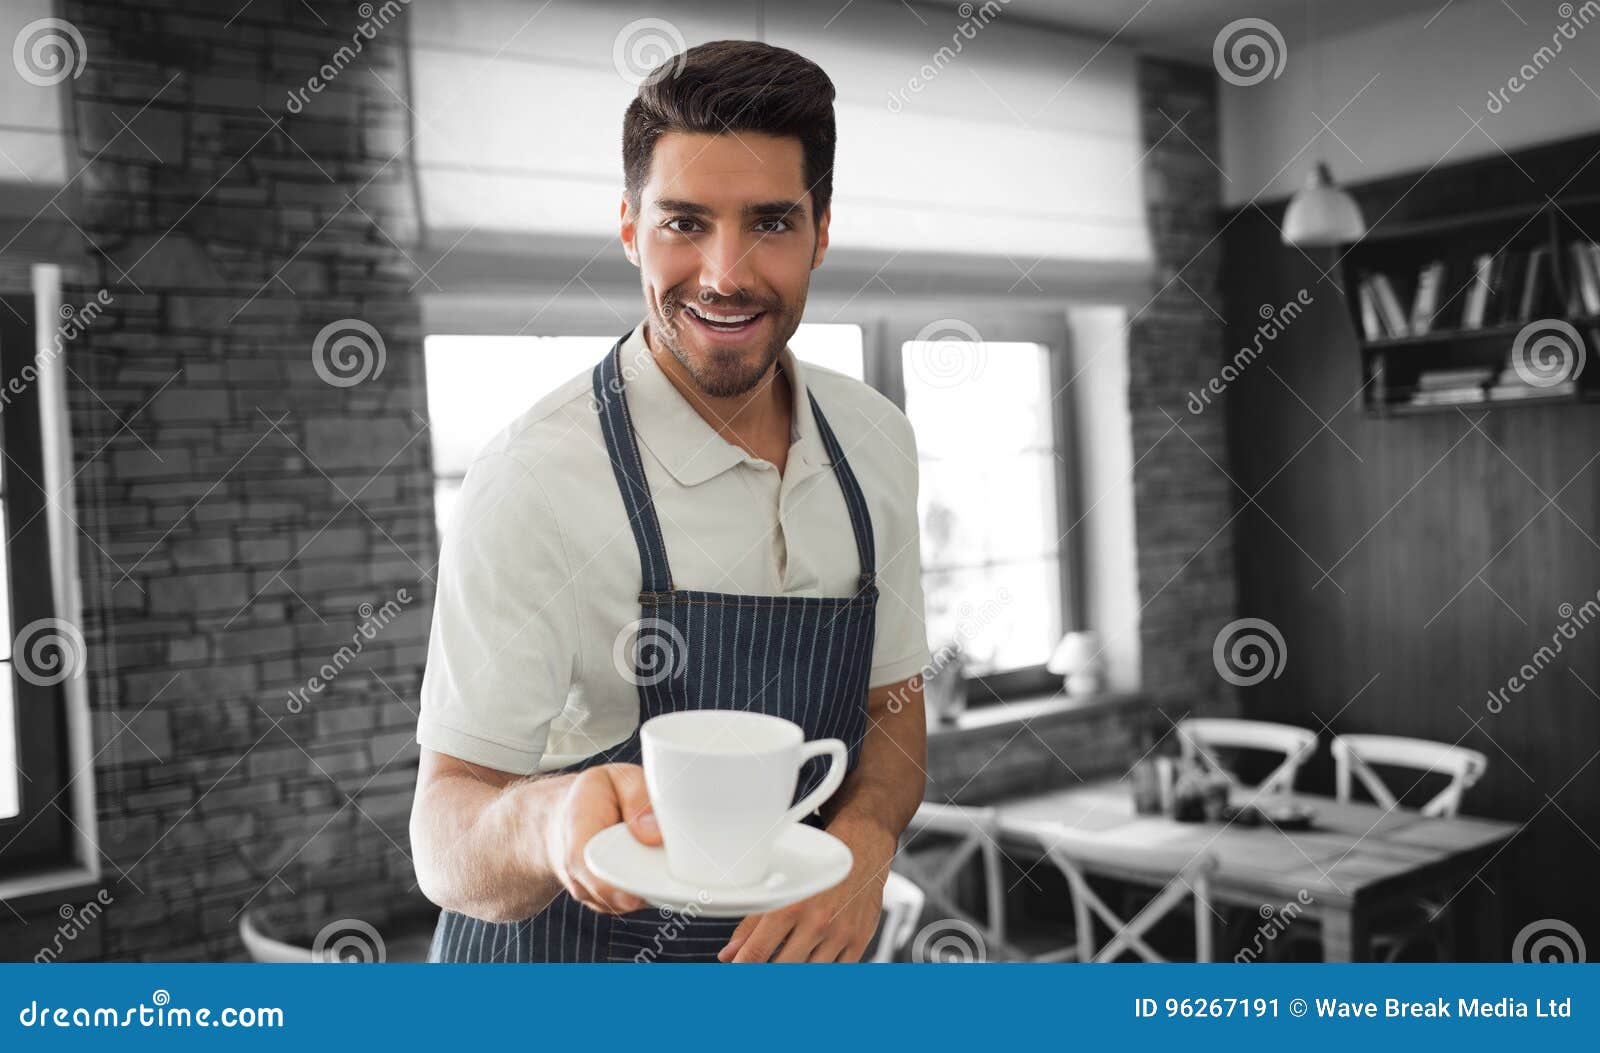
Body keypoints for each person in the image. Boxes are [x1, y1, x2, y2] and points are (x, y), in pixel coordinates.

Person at [410, 39, 930, 963]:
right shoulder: (536, 477)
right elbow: (443, 842)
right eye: (684, 222)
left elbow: (893, 707)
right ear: (628, 227)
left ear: (821, 230)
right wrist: (545, 822)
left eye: (770, 223)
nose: (725, 273)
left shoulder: (877, 441)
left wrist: (867, 841)